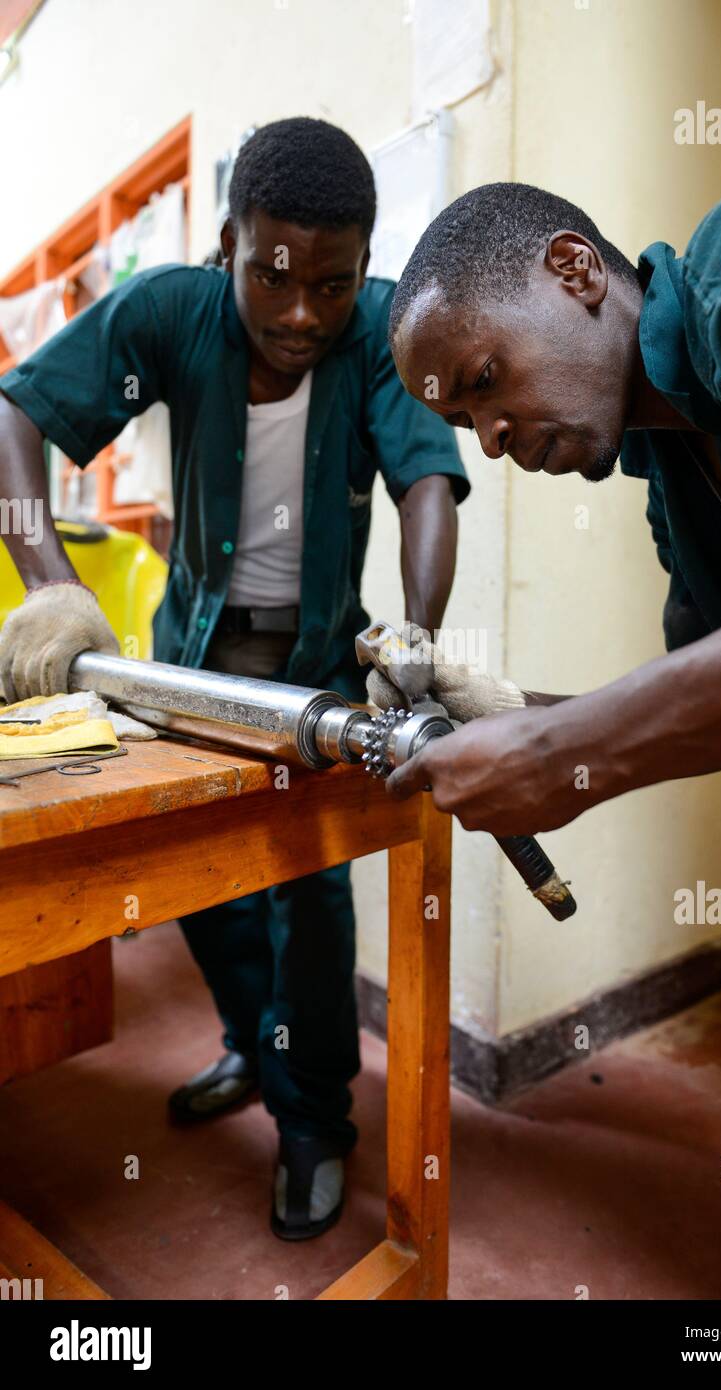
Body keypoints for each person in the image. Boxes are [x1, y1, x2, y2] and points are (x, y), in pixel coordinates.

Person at [367, 164, 721, 1298]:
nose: (488, 438)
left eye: (486, 382)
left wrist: (563, 758)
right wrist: (507, 711)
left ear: (575, 271)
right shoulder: (674, 474)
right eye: (460, 421)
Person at [0, 117, 468, 1239]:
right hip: (186, 668)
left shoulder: (379, 335)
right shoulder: (169, 310)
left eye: (332, 282)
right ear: (228, 244)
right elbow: (13, 416)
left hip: (317, 668)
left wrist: (414, 633)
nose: (302, 310)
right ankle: (250, 1050)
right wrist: (55, 590)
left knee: (310, 900)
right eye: (273, 273)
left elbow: (426, 487)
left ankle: (311, 1123)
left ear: (362, 269)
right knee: (203, 889)